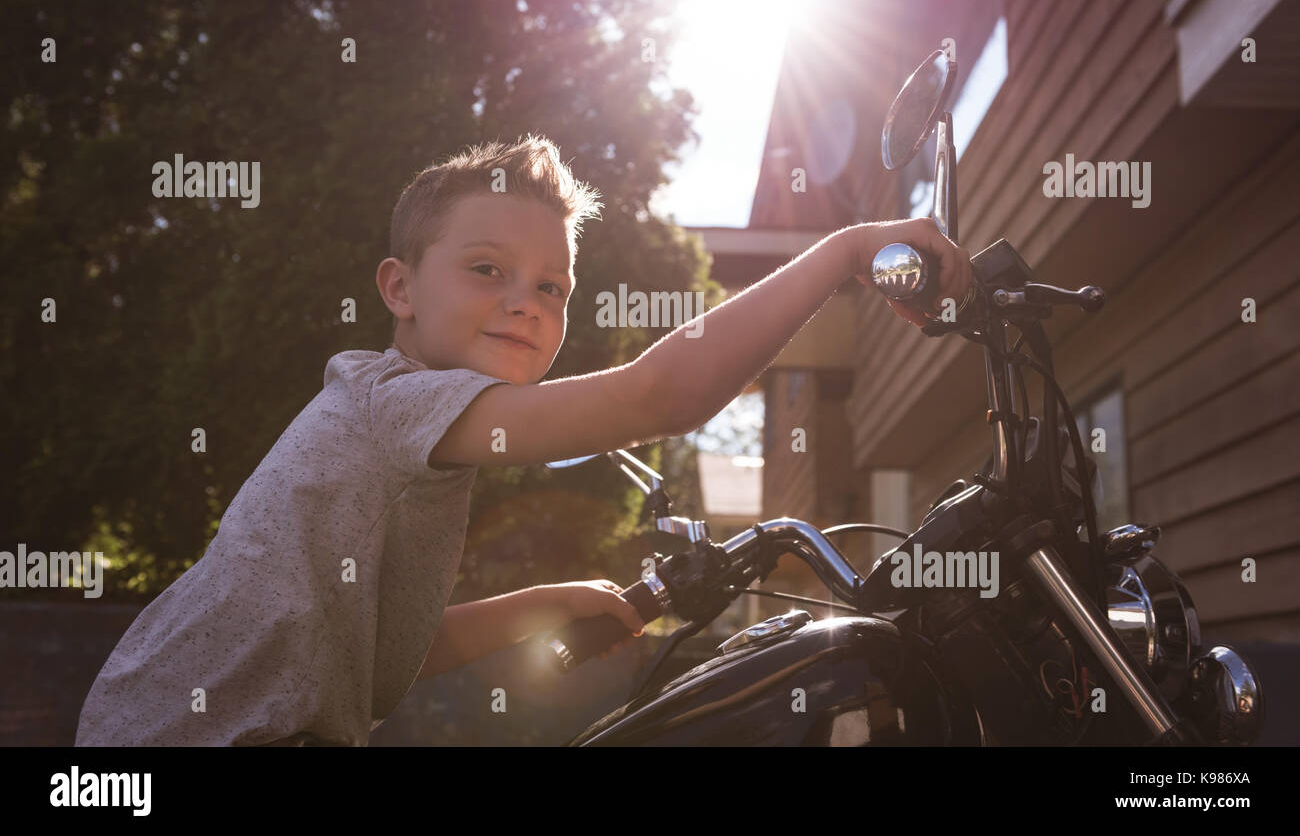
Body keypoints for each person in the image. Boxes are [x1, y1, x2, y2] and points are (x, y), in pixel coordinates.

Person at [75, 134, 970, 746]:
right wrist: (849, 250)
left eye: (553, 286)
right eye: (486, 269)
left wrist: (542, 603)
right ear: (399, 287)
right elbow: (662, 391)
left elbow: (376, 653)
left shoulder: (399, 425)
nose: (525, 302)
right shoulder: (400, 402)